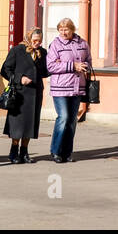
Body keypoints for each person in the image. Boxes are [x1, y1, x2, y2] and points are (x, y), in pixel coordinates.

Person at [0, 27, 49, 163]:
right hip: (19, 94)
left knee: (30, 123)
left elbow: (45, 72)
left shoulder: (42, 52)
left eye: (39, 41)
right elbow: (5, 70)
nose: (37, 43)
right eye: (35, 40)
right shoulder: (17, 50)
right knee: (17, 124)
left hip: (35, 93)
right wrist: (19, 78)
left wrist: (53, 64)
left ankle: (24, 152)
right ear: (28, 38)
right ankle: (13, 152)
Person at [45, 18, 90, 163]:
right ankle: (56, 151)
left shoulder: (82, 43)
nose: (63, 33)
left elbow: (88, 60)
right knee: (63, 117)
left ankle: (67, 152)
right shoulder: (55, 45)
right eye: (61, 30)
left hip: (77, 86)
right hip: (60, 88)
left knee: (72, 121)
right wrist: (72, 66)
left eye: (66, 30)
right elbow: (50, 66)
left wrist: (84, 65)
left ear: (72, 30)